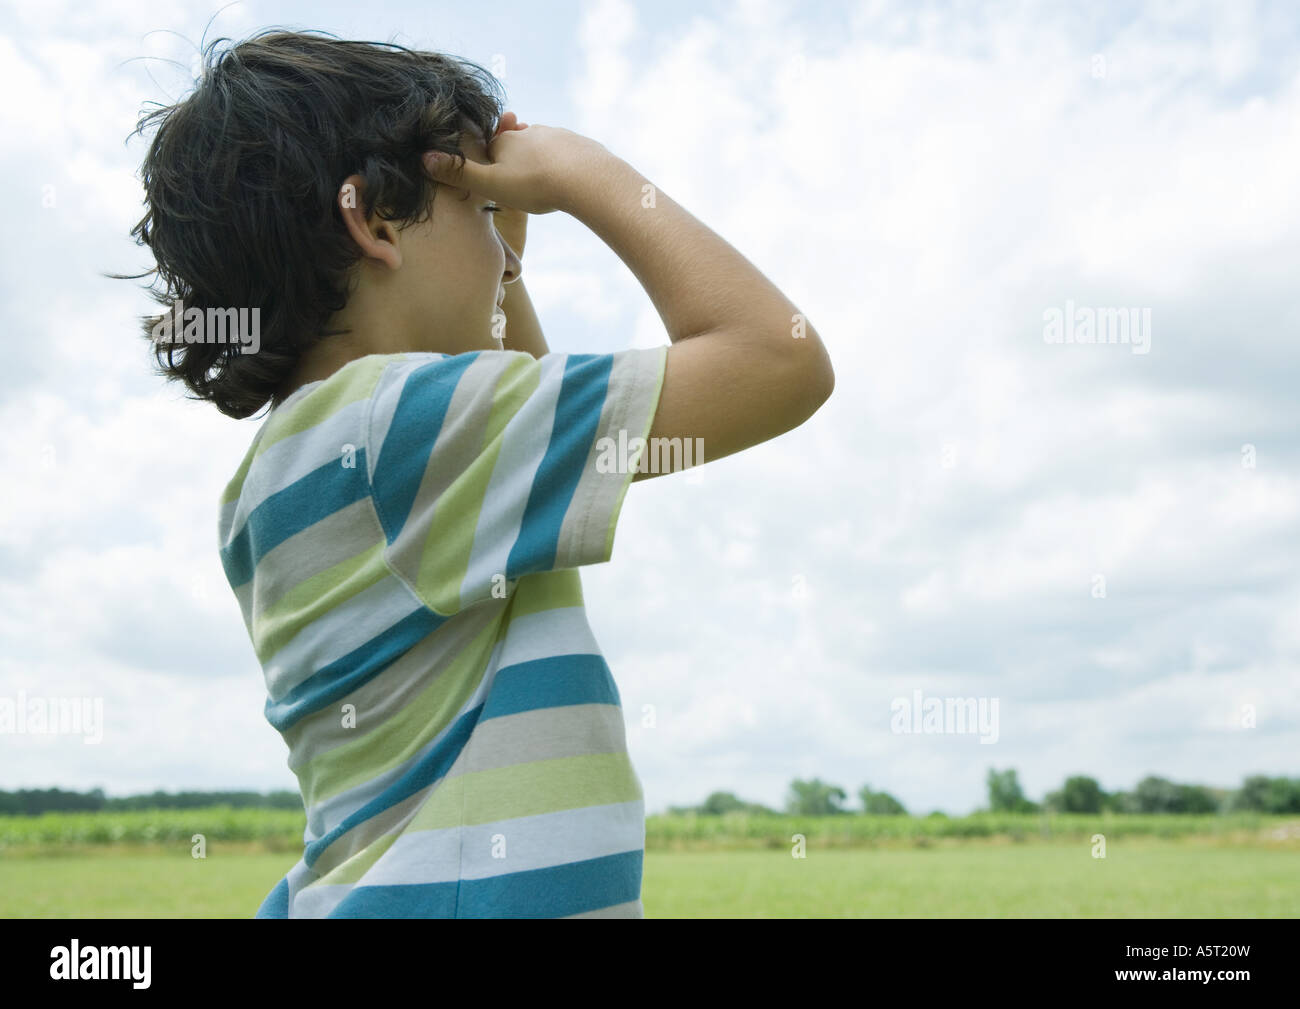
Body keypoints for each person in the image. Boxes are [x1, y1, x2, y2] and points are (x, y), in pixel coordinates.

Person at [124, 29, 834, 917]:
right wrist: (590, 176)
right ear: (374, 220)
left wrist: (508, 270)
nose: (503, 251)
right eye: (482, 211)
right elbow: (780, 361)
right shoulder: (402, 431)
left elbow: (531, 443)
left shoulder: (292, 466)